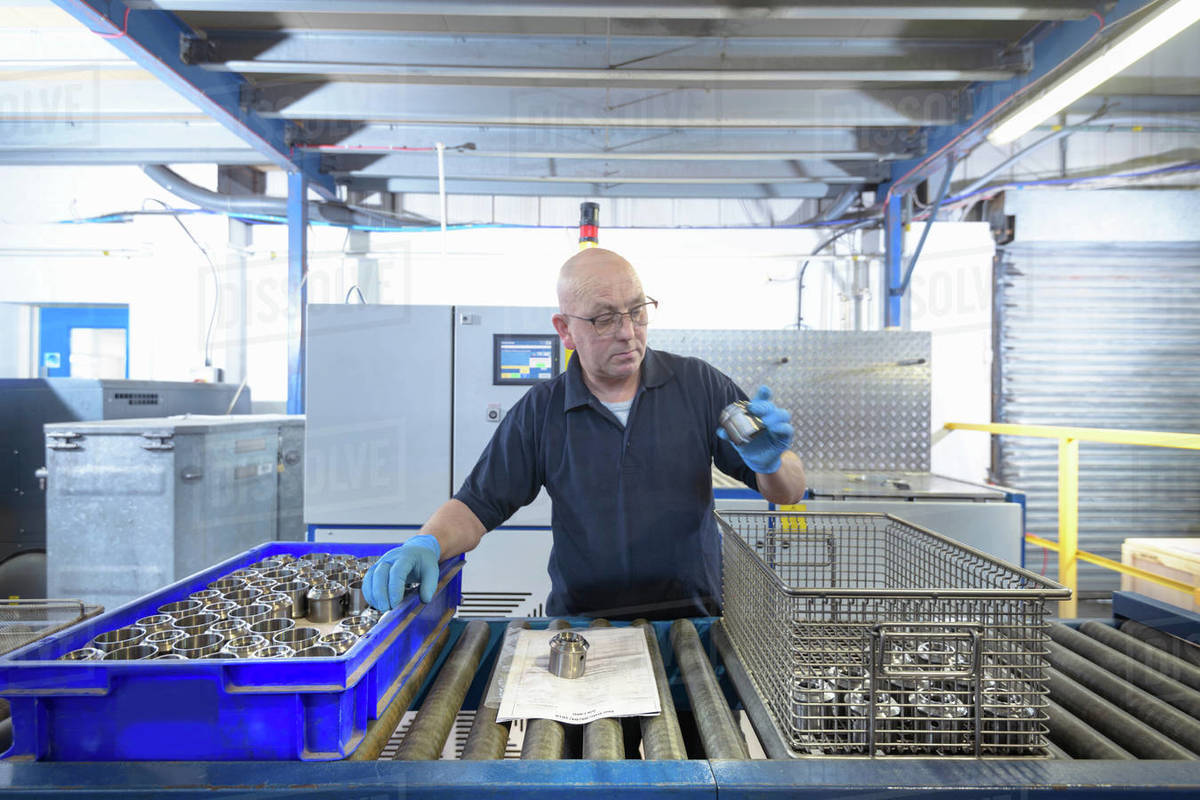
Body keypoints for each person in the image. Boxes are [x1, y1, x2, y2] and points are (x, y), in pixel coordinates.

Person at [364, 247, 806, 620]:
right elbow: (476, 507)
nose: (628, 333)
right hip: (582, 633)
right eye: (604, 320)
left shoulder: (700, 386)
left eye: (637, 311)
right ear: (565, 330)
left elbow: (788, 491)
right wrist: (426, 541)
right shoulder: (544, 410)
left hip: (692, 627)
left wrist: (772, 462)